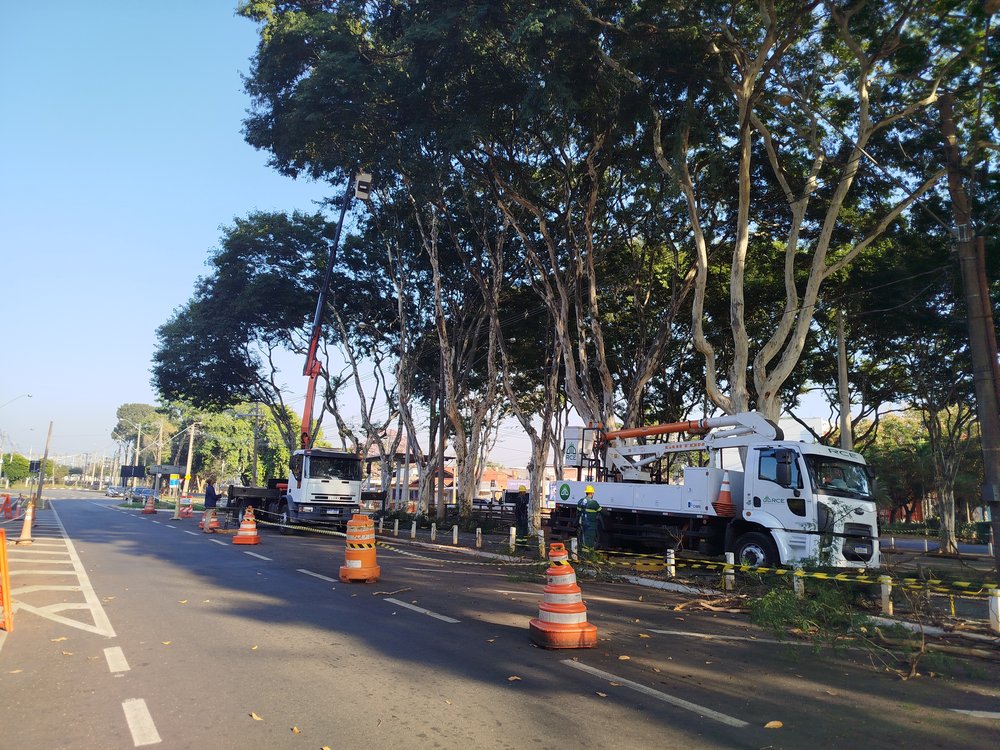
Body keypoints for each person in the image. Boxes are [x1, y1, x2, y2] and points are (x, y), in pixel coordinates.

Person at [576, 485, 602, 550]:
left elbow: (578, 514)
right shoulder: (593, 503)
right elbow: (601, 511)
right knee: (590, 540)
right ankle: (589, 553)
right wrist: (608, 513)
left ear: (586, 492)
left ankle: (583, 552)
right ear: (592, 493)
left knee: (583, 539)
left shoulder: (580, 501)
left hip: (582, 523)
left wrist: (576, 523)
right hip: (590, 525)